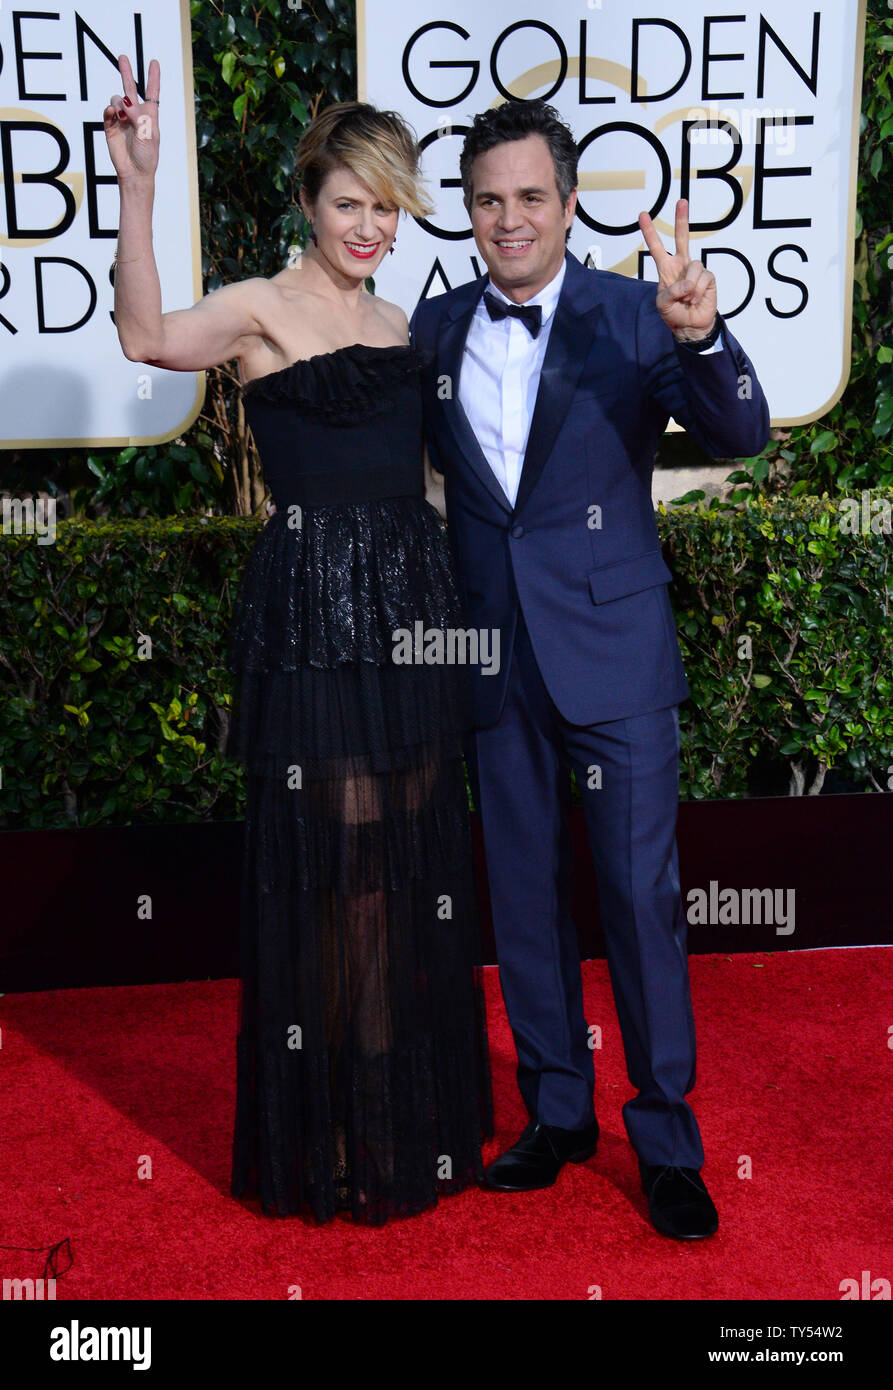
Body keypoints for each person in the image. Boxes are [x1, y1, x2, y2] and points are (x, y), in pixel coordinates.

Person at [105, 56, 492, 1225]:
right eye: (347, 202)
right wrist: (137, 184)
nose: (368, 225)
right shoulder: (261, 305)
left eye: (386, 205)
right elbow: (143, 336)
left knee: (410, 866)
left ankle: (397, 1122)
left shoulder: (401, 324)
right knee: (339, 880)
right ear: (308, 200)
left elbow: (430, 485)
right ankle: (328, 1122)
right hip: (313, 615)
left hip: (410, 611)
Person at [410, 98, 770, 1240]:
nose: (507, 219)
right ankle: (555, 1112)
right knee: (520, 897)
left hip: (614, 657)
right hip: (493, 658)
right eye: (486, 199)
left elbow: (736, 435)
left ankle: (665, 1140)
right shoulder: (432, 331)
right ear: (465, 212)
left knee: (638, 902)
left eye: (529, 197)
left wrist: (701, 334)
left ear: (568, 203)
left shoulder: (633, 314)